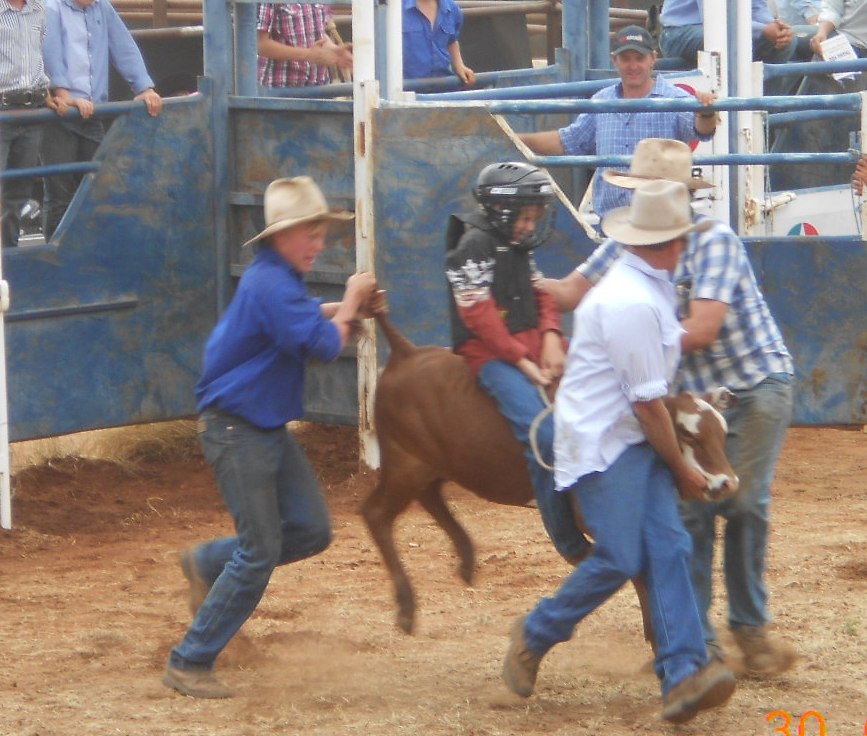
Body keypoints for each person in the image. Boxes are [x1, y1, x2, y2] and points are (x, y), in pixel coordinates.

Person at [543, 138, 798, 678]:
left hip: (751, 386)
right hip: (694, 399)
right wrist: (521, 287)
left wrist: (623, 346)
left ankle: (745, 630)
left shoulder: (712, 240)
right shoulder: (636, 239)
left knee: (740, 503)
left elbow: (701, 330)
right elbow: (568, 290)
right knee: (697, 510)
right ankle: (699, 640)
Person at [501, 180, 736, 724]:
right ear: (672, 243)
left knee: (670, 545)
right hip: (605, 444)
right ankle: (536, 632)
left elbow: (652, 388)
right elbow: (649, 406)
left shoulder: (645, 285)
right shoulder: (633, 300)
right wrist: (682, 468)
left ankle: (682, 676)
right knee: (623, 556)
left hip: (624, 436)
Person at [163, 176, 380, 698]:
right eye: (312, 231)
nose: (319, 241)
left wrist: (340, 311)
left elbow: (305, 321)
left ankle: (207, 562)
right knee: (261, 550)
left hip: (254, 426)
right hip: (239, 429)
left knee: (309, 530)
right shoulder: (271, 284)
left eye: (320, 231)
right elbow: (322, 346)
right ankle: (189, 660)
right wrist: (350, 302)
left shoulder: (274, 279)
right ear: (282, 235)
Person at [444, 161, 588, 564]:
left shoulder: (519, 246)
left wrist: (551, 338)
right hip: (492, 356)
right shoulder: (470, 248)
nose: (530, 225)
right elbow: (480, 318)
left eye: (534, 217)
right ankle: (569, 541)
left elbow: (541, 294)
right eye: (526, 216)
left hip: (530, 343)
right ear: (503, 211)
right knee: (543, 438)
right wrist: (523, 363)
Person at [519, 24, 718, 221]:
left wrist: (706, 113)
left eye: (639, 58)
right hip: (613, 218)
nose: (633, 66)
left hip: (659, 219)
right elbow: (568, 141)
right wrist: (516, 140)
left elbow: (702, 129)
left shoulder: (674, 99)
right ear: (615, 60)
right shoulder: (601, 100)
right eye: (625, 58)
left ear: (653, 59)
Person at [42, 0, 163, 240]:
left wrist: (144, 86)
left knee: (95, 189)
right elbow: (51, 54)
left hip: (93, 112)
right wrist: (63, 95)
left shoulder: (102, 8)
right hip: (59, 114)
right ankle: (54, 261)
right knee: (60, 194)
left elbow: (123, 46)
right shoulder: (51, 7)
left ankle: (86, 255)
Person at [0, 0, 54, 248]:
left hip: (33, 110)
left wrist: (48, 95)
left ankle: (8, 259)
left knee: (17, 195)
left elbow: (38, 52)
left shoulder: (39, 10)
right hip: (2, 109)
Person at [660, 0, 798, 75]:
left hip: (723, 29)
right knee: (731, 42)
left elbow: (757, 7)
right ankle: (732, 109)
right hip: (679, 32)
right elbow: (714, 18)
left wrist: (775, 28)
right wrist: (763, 30)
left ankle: (765, 113)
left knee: (788, 41)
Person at [256, 3, 352, 88]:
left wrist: (334, 52)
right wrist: (308, 55)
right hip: (279, 93)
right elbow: (259, 43)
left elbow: (315, 33)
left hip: (320, 91)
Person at [402, 0, 475, 85]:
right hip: (408, 89)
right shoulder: (395, 9)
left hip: (444, 86)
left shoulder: (452, 8)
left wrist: (459, 65)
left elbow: (452, 40)